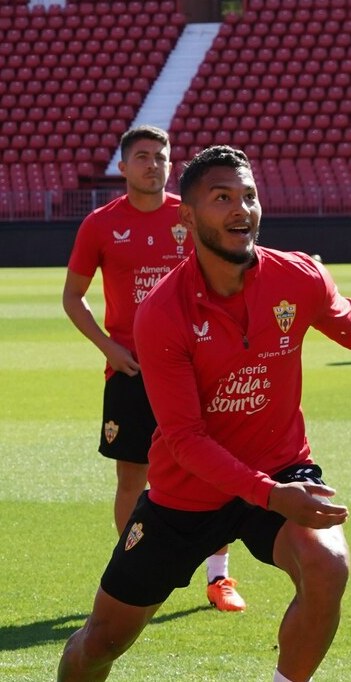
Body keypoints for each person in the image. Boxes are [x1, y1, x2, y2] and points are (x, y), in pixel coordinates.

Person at [37, 145, 351, 682]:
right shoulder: (163, 313)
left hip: (281, 468)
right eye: (222, 198)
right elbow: (183, 439)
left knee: (327, 567)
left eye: (249, 196)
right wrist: (270, 495)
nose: (241, 209)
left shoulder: (296, 274)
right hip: (187, 494)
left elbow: (348, 318)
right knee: (100, 644)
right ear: (188, 218)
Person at [66, 126, 247, 612]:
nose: (153, 165)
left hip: (197, 364)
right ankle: (136, 573)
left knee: (216, 471)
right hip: (130, 371)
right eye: (142, 157)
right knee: (133, 478)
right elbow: (73, 297)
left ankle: (219, 578)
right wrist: (109, 348)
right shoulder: (100, 225)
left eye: (161, 157)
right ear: (123, 168)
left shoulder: (190, 216)